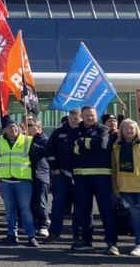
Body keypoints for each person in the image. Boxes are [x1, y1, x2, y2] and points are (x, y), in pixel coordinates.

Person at [70, 105, 118, 255]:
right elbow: (71, 149)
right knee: (84, 211)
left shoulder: (104, 129)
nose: (90, 118)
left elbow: (101, 144)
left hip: (102, 176)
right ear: (82, 116)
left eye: (92, 115)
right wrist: (88, 144)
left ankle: (111, 243)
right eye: (87, 115)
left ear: (96, 115)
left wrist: (82, 143)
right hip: (81, 178)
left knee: (106, 211)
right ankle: (86, 241)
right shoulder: (75, 130)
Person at [0, 118, 39, 247]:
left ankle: (31, 236)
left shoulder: (27, 140)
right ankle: (11, 235)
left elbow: (35, 159)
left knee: (25, 209)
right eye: (9, 127)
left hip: (22, 182)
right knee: (9, 209)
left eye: (14, 126)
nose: (13, 129)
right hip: (6, 181)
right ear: (4, 129)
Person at [43, 109, 81, 243]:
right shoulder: (58, 132)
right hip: (61, 174)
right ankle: (54, 233)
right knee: (58, 204)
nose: (73, 121)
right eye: (71, 118)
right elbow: (49, 151)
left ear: (80, 119)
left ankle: (79, 236)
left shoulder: (85, 132)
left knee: (81, 205)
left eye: (76, 118)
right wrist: (55, 168)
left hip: (81, 176)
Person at [112, 118, 140, 257]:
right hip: (125, 188)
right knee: (134, 216)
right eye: (126, 128)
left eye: (132, 128)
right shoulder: (116, 147)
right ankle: (139, 243)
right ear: (121, 130)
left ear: (136, 130)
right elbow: (114, 169)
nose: (129, 130)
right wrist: (116, 188)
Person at [26, 117, 50, 238]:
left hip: (40, 174)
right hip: (27, 175)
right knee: (29, 203)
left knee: (41, 202)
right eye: (26, 125)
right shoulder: (24, 139)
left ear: (38, 128)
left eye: (30, 125)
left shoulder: (44, 139)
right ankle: (33, 225)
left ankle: (44, 225)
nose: (27, 128)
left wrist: (31, 144)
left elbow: (47, 152)